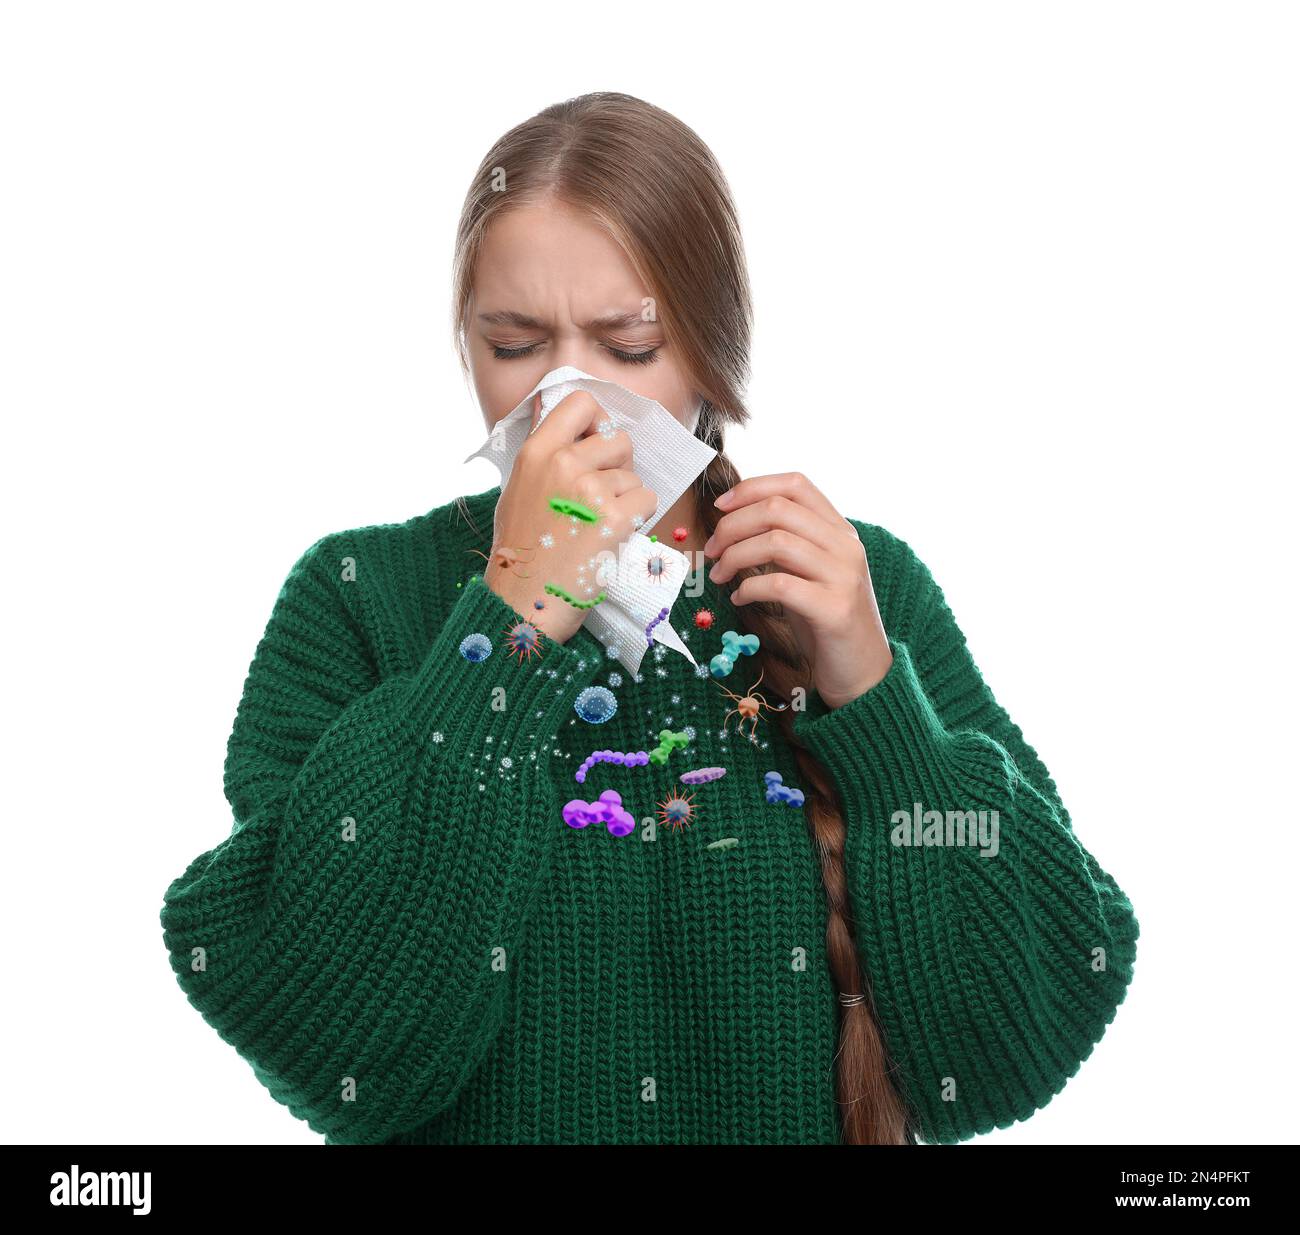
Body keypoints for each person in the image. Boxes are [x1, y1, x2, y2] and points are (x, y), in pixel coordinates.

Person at [160, 91, 1139, 1145]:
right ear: (463, 345)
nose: (569, 397)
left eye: (628, 345)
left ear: (714, 351)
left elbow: (1014, 1040)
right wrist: (506, 623)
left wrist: (876, 705)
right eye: (515, 342)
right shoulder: (360, 594)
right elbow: (325, 1037)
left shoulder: (862, 583)